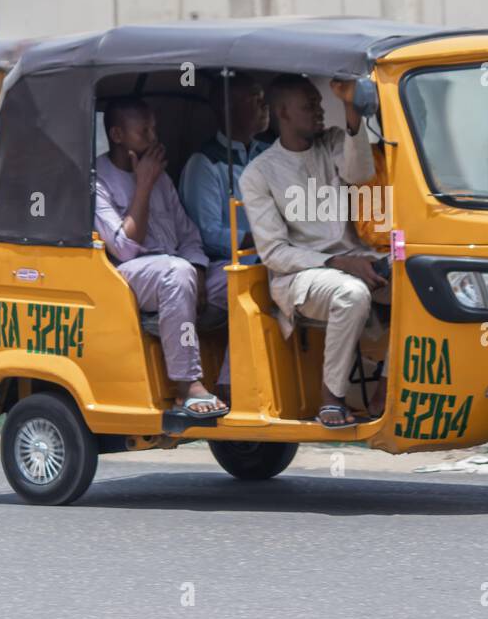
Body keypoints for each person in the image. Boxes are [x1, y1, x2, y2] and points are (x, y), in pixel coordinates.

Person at [239, 73, 387, 429]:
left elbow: (359, 173)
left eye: (320, 104)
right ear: (283, 113)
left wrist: (350, 108)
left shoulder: (334, 140)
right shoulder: (258, 174)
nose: (320, 111)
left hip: (358, 260)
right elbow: (274, 252)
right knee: (349, 293)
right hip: (301, 277)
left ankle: (385, 388)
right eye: (310, 106)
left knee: (420, 275)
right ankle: (330, 399)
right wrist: (337, 262)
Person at [94, 97, 227, 417]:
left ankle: (229, 384)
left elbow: (190, 236)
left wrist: (200, 271)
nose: (154, 138)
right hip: (124, 278)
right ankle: (188, 385)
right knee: (176, 273)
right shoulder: (97, 180)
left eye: (154, 129)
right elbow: (124, 248)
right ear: (117, 135)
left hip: (177, 268)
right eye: (144, 131)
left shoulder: (160, 177)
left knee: (240, 276)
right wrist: (143, 185)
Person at [178, 73, 270, 266]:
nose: (265, 105)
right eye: (256, 98)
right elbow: (208, 233)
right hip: (233, 266)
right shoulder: (204, 163)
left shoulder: (270, 154)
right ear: (228, 108)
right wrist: (264, 238)